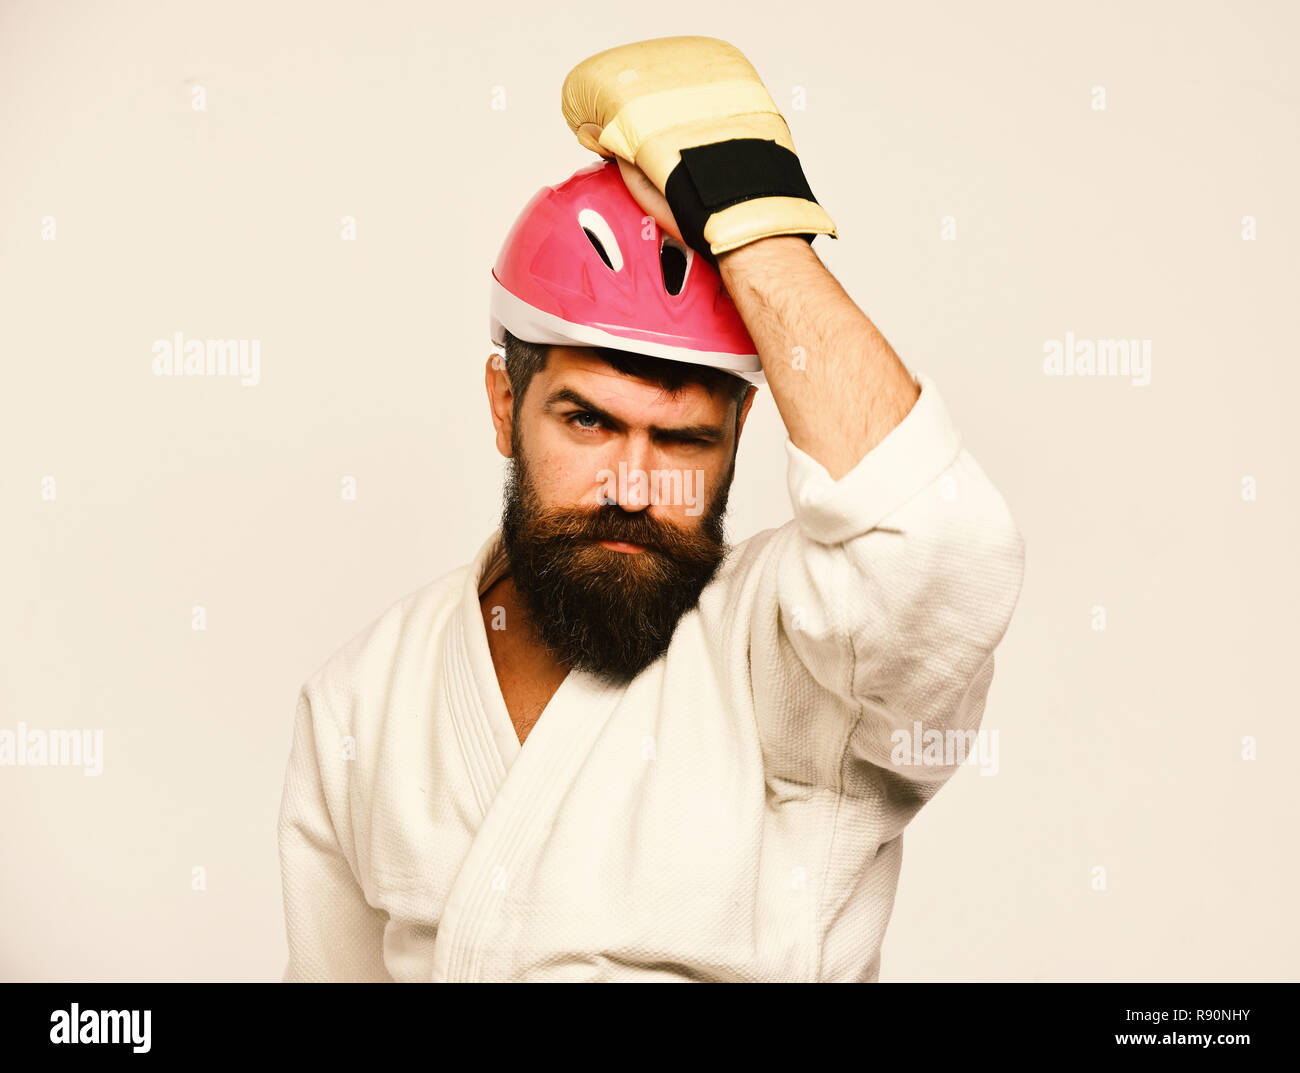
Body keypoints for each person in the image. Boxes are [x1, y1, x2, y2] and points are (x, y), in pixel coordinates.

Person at [277, 36, 1025, 982]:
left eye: (682, 438)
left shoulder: (789, 657)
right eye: (587, 421)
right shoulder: (364, 700)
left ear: (745, 427)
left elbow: (946, 550)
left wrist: (749, 215)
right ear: (507, 404)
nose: (634, 486)